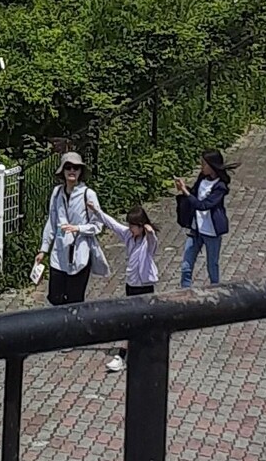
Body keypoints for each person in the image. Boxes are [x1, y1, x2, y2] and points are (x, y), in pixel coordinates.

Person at [87, 199, 158, 374]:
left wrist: (150, 233)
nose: (131, 229)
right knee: (134, 320)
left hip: (144, 286)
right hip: (131, 284)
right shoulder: (128, 235)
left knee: (139, 320)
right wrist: (96, 210)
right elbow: (111, 223)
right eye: (130, 225)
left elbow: (153, 242)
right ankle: (132, 352)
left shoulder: (147, 243)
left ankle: (125, 355)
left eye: (134, 226)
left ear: (141, 226)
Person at [31, 152, 109, 304]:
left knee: (75, 299)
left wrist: (78, 228)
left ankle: (74, 326)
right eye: (68, 167)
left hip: (80, 253)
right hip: (59, 253)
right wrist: (43, 250)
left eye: (76, 168)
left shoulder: (88, 194)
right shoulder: (57, 193)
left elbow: (98, 225)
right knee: (55, 297)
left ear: (80, 171)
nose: (72, 171)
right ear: (63, 171)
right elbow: (52, 222)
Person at [174, 150, 231, 287]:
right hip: (196, 230)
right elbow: (194, 195)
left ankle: (216, 291)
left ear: (212, 166)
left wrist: (186, 192)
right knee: (186, 266)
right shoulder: (202, 178)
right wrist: (184, 189)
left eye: (204, 164)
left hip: (211, 231)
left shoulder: (220, 187)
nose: (201, 167)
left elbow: (203, 205)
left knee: (212, 265)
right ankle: (185, 292)